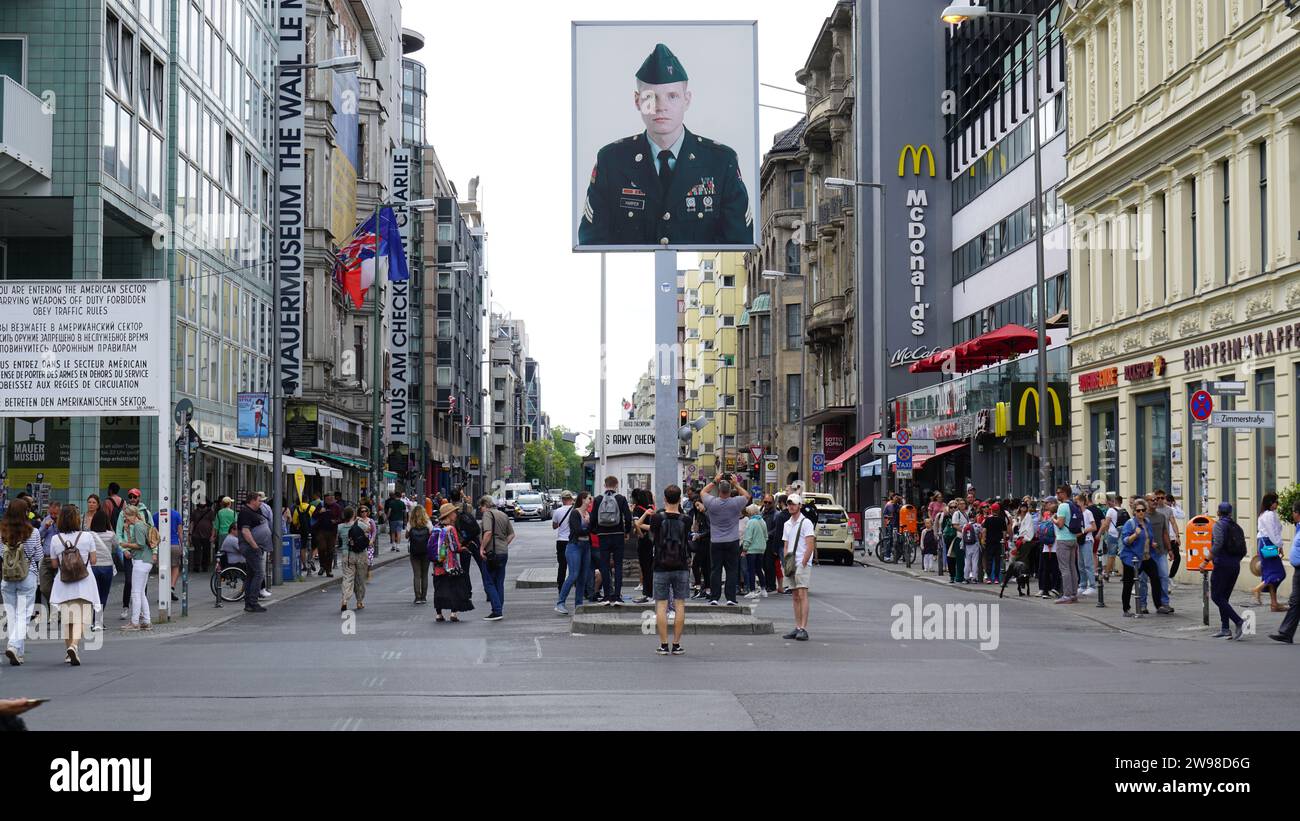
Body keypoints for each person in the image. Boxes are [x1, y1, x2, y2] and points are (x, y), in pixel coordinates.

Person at [577, 43, 751, 247]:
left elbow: (740, 242)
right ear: (637, 101)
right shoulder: (611, 161)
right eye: (650, 97)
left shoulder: (721, 162)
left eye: (672, 96)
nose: (661, 107)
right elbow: (592, 243)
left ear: (687, 100)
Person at [642, 484, 690, 655]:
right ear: (679, 498)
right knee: (680, 604)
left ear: (664, 498)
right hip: (681, 565)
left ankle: (663, 644)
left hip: (660, 565)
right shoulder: (686, 519)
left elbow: (651, 536)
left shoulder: (656, 518)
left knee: (661, 605)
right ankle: (676, 644)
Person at [48, 505, 99, 665]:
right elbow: (93, 560)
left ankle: (68, 652)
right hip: (84, 581)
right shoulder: (87, 537)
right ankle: (74, 646)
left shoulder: (56, 539)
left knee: (68, 620)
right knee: (82, 618)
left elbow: (54, 565)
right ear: (77, 519)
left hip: (64, 583)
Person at [700, 472, 751, 606]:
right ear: (730, 491)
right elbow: (746, 495)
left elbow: (703, 492)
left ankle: (714, 597)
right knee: (731, 570)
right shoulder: (736, 503)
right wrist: (736, 484)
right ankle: (730, 598)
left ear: (719, 490)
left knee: (715, 569)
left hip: (715, 540)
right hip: (732, 540)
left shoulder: (712, 502)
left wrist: (715, 481)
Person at [2, 499, 42, 665]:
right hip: (28, 575)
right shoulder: (33, 532)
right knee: (23, 616)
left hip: (7, 577)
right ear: (26, 513)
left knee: (12, 616)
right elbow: (39, 556)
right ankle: (13, 645)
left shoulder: (2, 532)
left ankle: (18, 652)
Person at [1119, 499, 1168, 617]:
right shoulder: (1130, 523)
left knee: (1156, 578)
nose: (1141, 512)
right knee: (1128, 583)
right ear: (1134, 512)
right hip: (1132, 559)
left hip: (1146, 557)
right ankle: (1126, 609)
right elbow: (1125, 541)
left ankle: (1159, 605)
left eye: (1143, 510)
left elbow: (1149, 537)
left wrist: (1152, 544)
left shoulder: (1147, 522)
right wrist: (1135, 535)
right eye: (1138, 510)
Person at [590, 476, 633, 605]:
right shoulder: (621, 499)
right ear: (617, 485)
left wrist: (596, 531)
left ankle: (607, 596)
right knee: (618, 565)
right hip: (618, 535)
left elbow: (592, 519)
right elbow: (628, 517)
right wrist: (626, 532)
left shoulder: (598, 499)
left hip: (603, 535)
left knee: (604, 565)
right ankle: (617, 596)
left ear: (604, 485)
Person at [1209, 502, 1248, 640]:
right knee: (1223, 598)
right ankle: (1225, 629)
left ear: (1219, 512)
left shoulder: (1219, 525)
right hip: (1234, 566)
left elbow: (1217, 544)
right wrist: (1235, 560)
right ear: (1231, 513)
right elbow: (1244, 550)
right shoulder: (1237, 527)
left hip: (1222, 566)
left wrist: (1206, 560)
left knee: (1216, 596)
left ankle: (1239, 621)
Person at [781, 494, 815, 641]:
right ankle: (797, 626)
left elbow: (810, 545)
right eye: (789, 504)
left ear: (800, 505)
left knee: (802, 594)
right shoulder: (787, 524)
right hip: (791, 564)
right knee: (795, 596)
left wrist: (803, 562)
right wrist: (786, 562)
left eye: (793, 504)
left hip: (802, 563)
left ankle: (803, 628)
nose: (790, 506)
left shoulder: (806, 522)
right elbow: (786, 545)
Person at [432, 502, 474, 621]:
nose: (456, 514)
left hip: (438, 565)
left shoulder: (436, 527)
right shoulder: (451, 529)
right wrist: (464, 548)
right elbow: (455, 547)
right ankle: (453, 613)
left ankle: (439, 614)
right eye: (454, 512)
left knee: (439, 589)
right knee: (455, 589)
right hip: (450, 565)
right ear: (449, 515)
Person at [478, 494, 516, 621]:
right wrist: (503, 544)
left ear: (485, 505)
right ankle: (499, 608)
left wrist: (482, 548)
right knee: (499, 582)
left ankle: (497, 610)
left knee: (489, 582)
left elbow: (488, 533)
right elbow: (512, 534)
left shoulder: (488, 515)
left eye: (481, 507)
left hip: (491, 553)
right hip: (503, 552)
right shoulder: (503, 515)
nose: (480, 510)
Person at [115, 489, 151, 619]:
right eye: (130, 496)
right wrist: (124, 550)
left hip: (141, 554)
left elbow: (151, 532)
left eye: (134, 497)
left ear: (139, 497)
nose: (132, 499)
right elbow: (119, 533)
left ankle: (141, 613)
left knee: (142, 585)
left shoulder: (145, 513)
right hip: (129, 552)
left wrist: (154, 552)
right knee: (129, 581)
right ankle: (126, 607)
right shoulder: (122, 513)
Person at [1268, 500, 1300, 644]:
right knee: (1295, 601)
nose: (1292, 515)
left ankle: (1286, 632)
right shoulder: (1298, 527)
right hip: (1298, 570)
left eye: (1293, 512)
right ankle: (1286, 633)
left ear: (1297, 513)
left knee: (1295, 601)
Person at [1138, 492, 1173, 614]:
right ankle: (1142, 604)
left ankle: (1164, 603)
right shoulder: (1141, 516)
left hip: (1160, 552)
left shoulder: (1161, 516)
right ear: (1145, 502)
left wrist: (1170, 549)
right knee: (1142, 580)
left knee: (1163, 577)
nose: (1154, 501)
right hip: (1145, 554)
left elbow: (1165, 533)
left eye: (1156, 499)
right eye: (1151, 499)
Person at [556, 492, 591, 615]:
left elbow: (594, 529)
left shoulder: (588, 514)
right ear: (583, 499)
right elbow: (577, 531)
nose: (590, 501)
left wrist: (589, 526)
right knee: (574, 574)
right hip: (574, 546)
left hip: (586, 546)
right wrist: (588, 525)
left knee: (583, 577)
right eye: (588, 498)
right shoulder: (575, 513)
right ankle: (560, 603)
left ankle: (579, 604)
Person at [235, 493, 269, 614]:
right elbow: (245, 531)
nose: (261, 502)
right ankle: (253, 602)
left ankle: (249, 603)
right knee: (259, 573)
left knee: (251, 574)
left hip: (255, 547)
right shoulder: (245, 513)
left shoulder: (256, 511)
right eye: (259, 500)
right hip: (250, 547)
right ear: (252, 501)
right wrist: (255, 547)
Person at [1253, 492, 1287, 611]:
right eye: (1275, 501)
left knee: (1270, 572)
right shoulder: (1269, 515)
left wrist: (1279, 545)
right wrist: (1279, 544)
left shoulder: (1264, 514)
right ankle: (1258, 588)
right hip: (1268, 544)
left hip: (1264, 544)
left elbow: (1273, 532)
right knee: (1279, 573)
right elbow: (1272, 532)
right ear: (1270, 503)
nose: (1277, 504)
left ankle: (1274, 604)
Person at [86, 510, 119, 631]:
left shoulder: (89, 535)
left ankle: (90, 620)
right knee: (103, 595)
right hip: (107, 567)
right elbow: (117, 546)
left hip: (93, 567)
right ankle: (98, 621)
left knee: (92, 594)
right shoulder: (110, 535)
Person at [338, 507, 366, 611]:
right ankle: (359, 601)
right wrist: (361, 520)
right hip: (360, 554)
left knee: (347, 578)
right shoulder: (360, 524)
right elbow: (369, 530)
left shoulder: (340, 527)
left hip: (347, 554)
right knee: (360, 579)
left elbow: (338, 538)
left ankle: (345, 600)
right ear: (353, 514)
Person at [1051, 501, 1080, 604]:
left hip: (1063, 539)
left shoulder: (1062, 506)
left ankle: (1067, 595)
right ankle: (1074, 594)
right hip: (1073, 538)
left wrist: (1053, 519)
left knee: (1064, 568)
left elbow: (1060, 524)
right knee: (1072, 567)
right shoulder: (1073, 505)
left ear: (1063, 494)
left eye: (1059, 492)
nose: (1057, 495)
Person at [631, 488, 656, 604]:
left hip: (644, 541)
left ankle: (648, 593)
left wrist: (640, 535)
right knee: (650, 567)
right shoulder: (651, 509)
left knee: (645, 568)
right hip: (652, 540)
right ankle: (651, 593)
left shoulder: (637, 509)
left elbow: (636, 525)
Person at [741, 503, 768, 599]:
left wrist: (744, 549)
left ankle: (752, 590)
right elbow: (766, 536)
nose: (747, 514)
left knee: (750, 570)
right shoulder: (762, 521)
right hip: (761, 549)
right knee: (759, 569)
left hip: (752, 549)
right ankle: (763, 590)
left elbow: (748, 537)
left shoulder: (751, 522)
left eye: (748, 512)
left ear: (751, 513)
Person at [407, 504, 432, 605]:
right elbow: (432, 534)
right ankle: (424, 597)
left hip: (414, 552)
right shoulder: (428, 523)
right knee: (424, 575)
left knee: (416, 575)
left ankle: (417, 597)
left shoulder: (411, 523)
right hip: (426, 551)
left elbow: (406, 536)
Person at [551, 491, 575, 592]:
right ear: (571, 499)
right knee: (574, 565)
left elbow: (554, 526)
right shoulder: (575, 511)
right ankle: (577, 585)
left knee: (562, 565)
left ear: (562, 499)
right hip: (572, 540)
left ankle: (561, 587)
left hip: (561, 541)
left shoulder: (557, 511)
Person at [688, 494, 711, 598]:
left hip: (705, 543)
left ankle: (698, 588)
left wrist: (699, 535)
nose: (697, 508)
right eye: (696, 506)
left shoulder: (706, 514)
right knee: (705, 567)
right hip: (704, 543)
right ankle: (707, 589)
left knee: (696, 565)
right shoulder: (701, 515)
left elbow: (710, 530)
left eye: (698, 505)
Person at [314, 493, 341, 577]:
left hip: (332, 532)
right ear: (325, 499)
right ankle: (322, 566)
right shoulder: (320, 505)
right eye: (328, 499)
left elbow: (341, 518)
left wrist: (335, 521)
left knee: (330, 550)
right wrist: (319, 512)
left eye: (332, 499)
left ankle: (328, 570)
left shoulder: (337, 507)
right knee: (322, 548)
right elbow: (313, 516)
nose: (330, 500)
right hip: (321, 531)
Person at [1076, 492, 1097, 596]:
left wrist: (1083, 531)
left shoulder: (1088, 513)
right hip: (1079, 540)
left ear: (1083, 502)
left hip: (1087, 539)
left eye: (1078, 501)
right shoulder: (1077, 513)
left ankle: (1092, 585)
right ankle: (1083, 585)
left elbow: (1094, 527)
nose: (1076, 503)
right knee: (1081, 564)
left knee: (1088, 563)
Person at [981, 503, 1007, 585]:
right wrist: (1004, 541)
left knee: (989, 560)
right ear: (999, 510)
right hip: (999, 542)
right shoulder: (1002, 520)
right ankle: (996, 578)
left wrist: (984, 540)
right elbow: (1004, 533)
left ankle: (989, 578)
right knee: (997, 560)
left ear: (991, 510)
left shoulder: (987, 520)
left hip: (989, 542)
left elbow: (984, 531)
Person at [190, 499, 215, 574]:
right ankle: (196, 566)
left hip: (207, 535)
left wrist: (212, 535)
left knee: (206, 551)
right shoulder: (195, 512)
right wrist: (190, 533)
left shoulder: (211, 512)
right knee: (197, 550)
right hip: (196, 534)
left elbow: (213, 524)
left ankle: (205, 566)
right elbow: (192, 523)